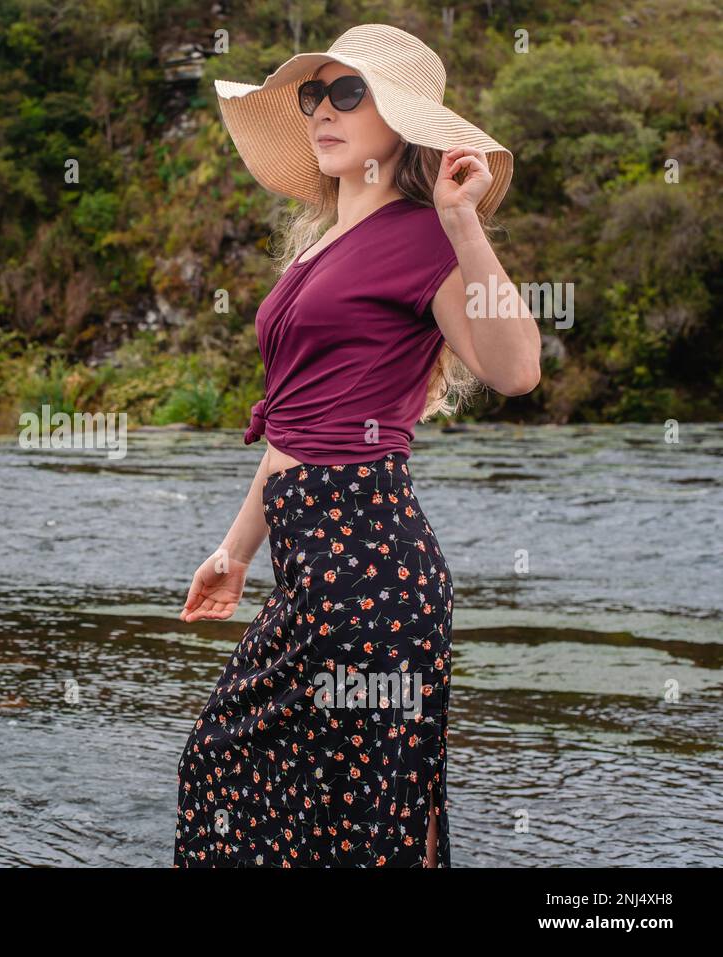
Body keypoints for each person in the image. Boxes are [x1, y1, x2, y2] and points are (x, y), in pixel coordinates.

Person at [174, 23, 541, 867]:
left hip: (371, 558)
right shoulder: (318, 247)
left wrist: (463, 221)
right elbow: (293, 426)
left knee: (360, 806)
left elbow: (516, 369)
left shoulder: (424, 234)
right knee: (234, 767)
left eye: (350, 93)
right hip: (312, 558)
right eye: (315, 94)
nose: (323, 110)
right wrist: (234, 552)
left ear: (404, 122)